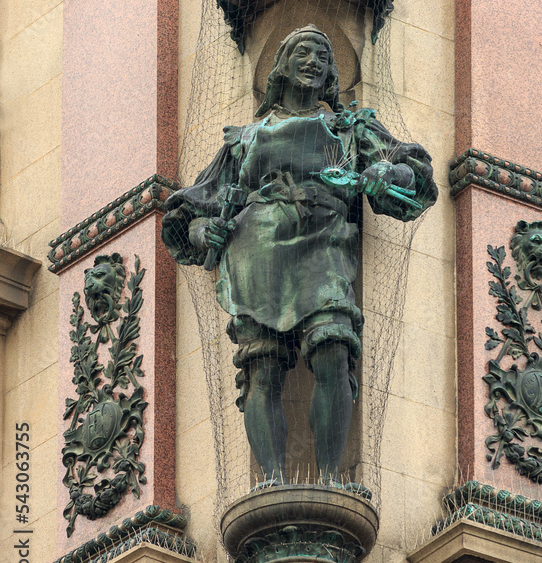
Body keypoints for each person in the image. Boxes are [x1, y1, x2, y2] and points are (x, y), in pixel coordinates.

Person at [162, 26, 437, 489]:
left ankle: (332, 478)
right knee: (261, 365)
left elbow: (414, 171)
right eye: (303, 51)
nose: (313, 60)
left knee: (333, 349)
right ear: (283, 65)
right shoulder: (245, 139)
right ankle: (270, 477)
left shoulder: (350, 128)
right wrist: (202, 228)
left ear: (331, 72)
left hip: (323, 243)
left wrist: (387, 171)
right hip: (256, 250)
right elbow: (189, 209)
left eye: (323, 55)